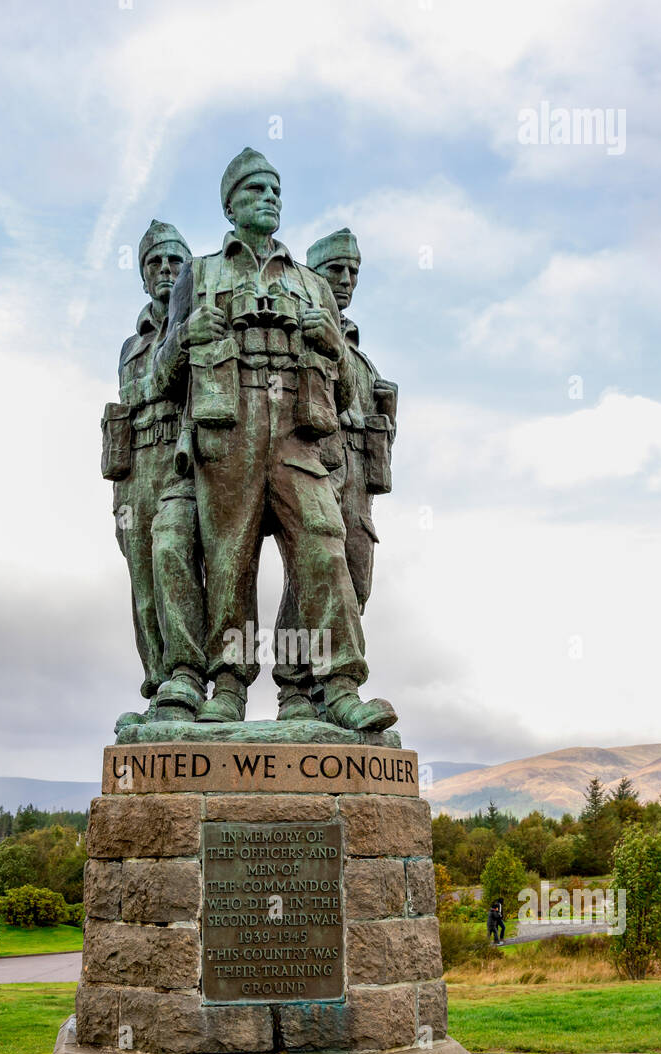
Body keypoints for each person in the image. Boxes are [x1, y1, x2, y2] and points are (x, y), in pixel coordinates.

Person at [154, 149, 397, 733]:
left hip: (297, 436)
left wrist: (332, 345)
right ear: (230, 204)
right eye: (256, 190)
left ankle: (338, 684)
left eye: (276, 191)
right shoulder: (201, 273)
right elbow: (163, 378)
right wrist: (186, 336)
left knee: (322, 547)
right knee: (228, 559)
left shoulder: (311, 285)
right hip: (228, 433)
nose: (270, 199)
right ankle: (229, 686)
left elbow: (344, 398)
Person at [273, 227, 398, 718]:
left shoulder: (362, 360)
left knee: (354, 582)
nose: (345, 280)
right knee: (309, 578)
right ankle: (296, 689)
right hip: (313, 465)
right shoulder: (294, 332)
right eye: (335, 270)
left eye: (353, 272)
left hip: (357, 483)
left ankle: (328, 690)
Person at [105, 220, 207, 728]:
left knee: (175, 560)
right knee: (142, 584)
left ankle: (190, 677)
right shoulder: (131, 343)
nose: (165, 270)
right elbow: (133, 395)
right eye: (155, 263)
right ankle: (158, 689)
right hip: (134, 468)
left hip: (181, 457)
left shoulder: (198, 320)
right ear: (144, 276)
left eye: (173, 261)